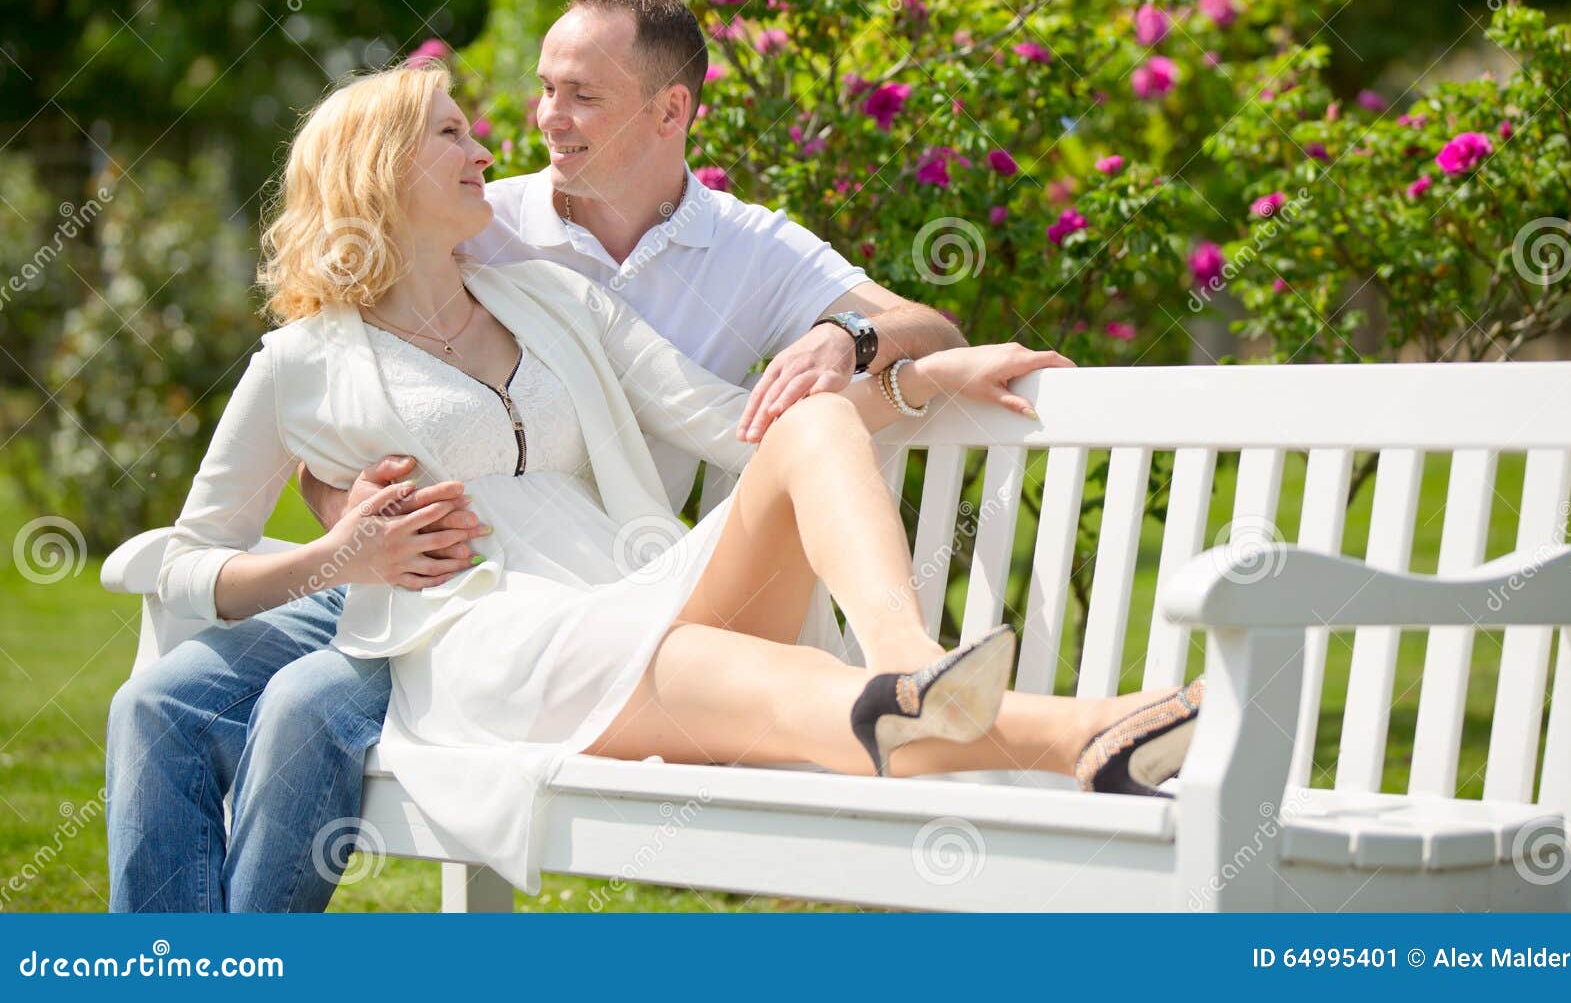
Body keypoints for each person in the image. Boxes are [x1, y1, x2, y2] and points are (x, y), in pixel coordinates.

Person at [139, 58, 1206, 896]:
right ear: (379, 169)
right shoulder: (302, 363)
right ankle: (1068, 727)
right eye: (452, 131)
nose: (485, 147)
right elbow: (183, 556)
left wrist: (922, 376)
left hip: (621, 586)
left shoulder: (550, 301)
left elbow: (733, 426)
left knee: (812, 418)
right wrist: (333, 555)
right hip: (486, 642)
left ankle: (911, 661)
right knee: (728, 669)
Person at [105, 0, 969, 913]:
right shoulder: (469, 236)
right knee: (154, 702)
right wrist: (337, 536)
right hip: (378, 589)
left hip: (539, 599)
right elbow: (302, 447)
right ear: (387, 173)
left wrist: (889, 364)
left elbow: (775, 401)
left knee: (304, 706)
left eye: (580, 94)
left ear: (670, 109)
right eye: (527, 97)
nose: (520, 134)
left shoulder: (602, 273)